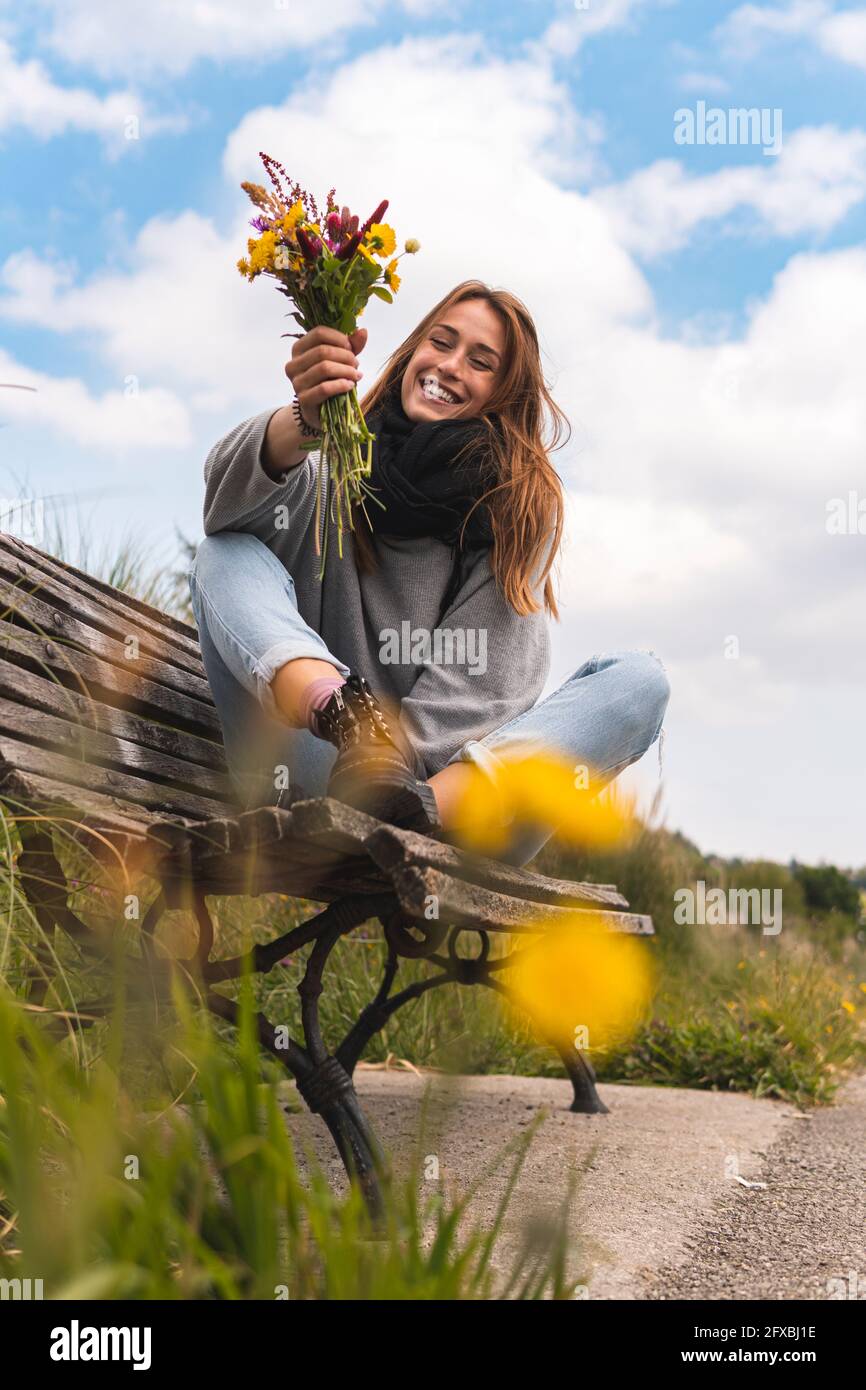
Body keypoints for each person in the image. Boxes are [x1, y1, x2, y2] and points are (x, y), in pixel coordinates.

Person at [189, 280, 669, 867]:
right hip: (319, 780)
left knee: (641, 680)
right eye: (440, 342)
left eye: (480, 361)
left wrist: (406, 789)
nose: (449, 365)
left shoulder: (513, 518)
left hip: (463, 822)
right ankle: (346, 717)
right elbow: (225, 507)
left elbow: (485, 696)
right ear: (412, 353)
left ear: (503, 394)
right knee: (226, 550)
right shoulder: (340, 471)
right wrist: (303, 421)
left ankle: (411, 806)